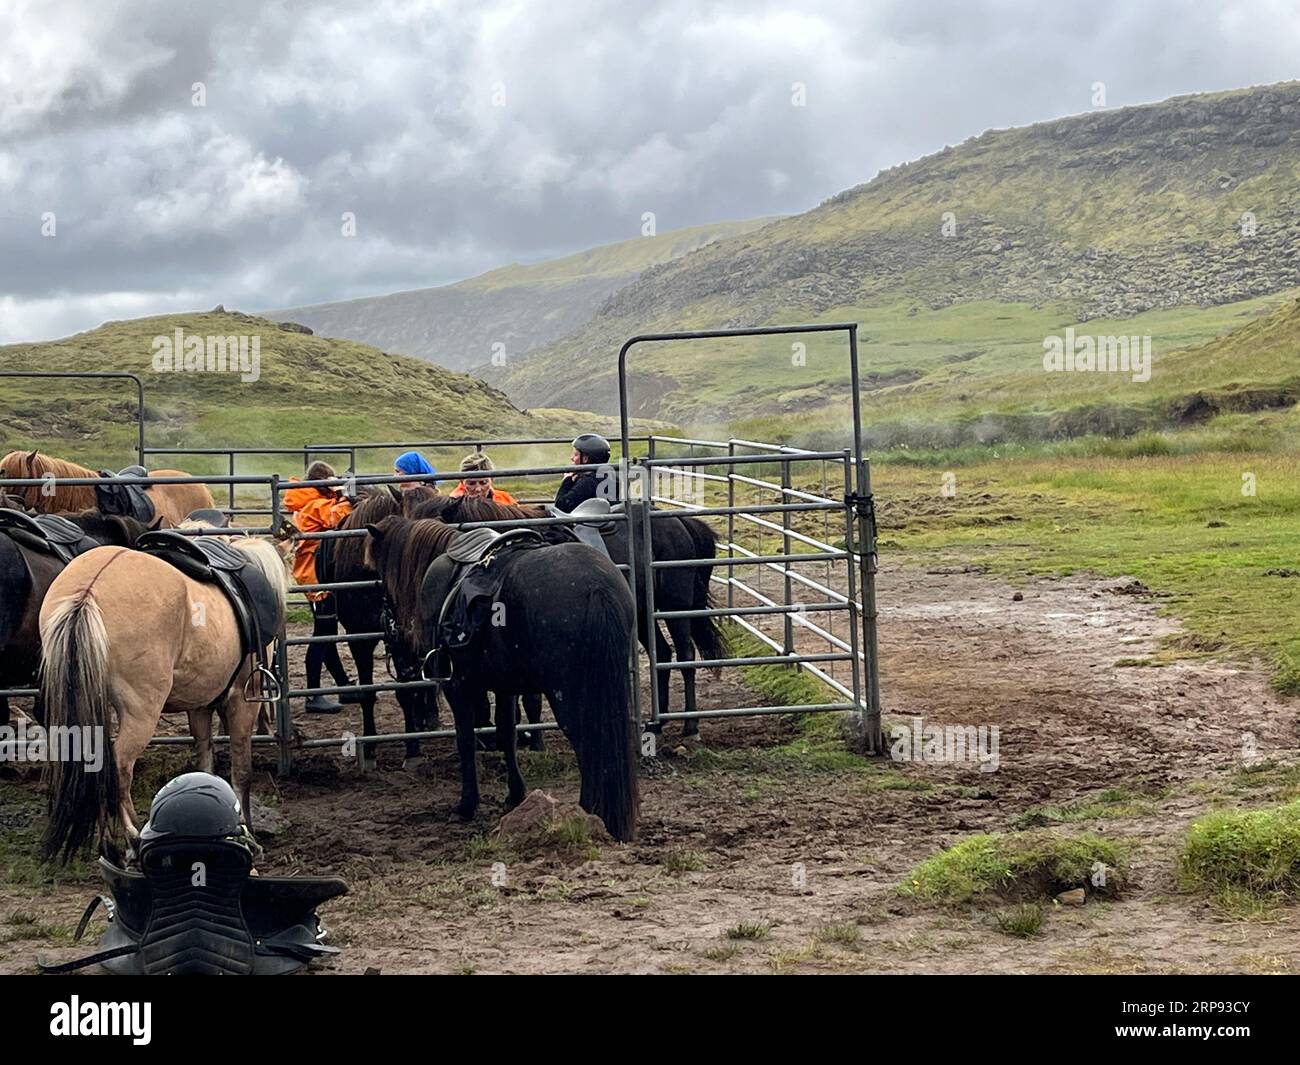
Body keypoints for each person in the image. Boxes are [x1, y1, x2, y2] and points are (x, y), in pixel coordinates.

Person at [285, 461, 359, 714]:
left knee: (326, 631)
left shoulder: (307, 500)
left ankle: (343, 685)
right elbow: (335, 516)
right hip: (316, 578)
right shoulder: (314, 505)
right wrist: (349, 498)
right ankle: (312, 694)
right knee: (323, 633)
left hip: (315, 575)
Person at [554, 433, 618, 511]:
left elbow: (560, 507)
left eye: (575, 455)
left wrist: (566, 480)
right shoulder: (610, 476)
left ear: (585, 459)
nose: (572, 458)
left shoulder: (588, 483)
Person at [450, 452, 519, 504]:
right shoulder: (452, 505)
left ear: (492, 479)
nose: (478, 489)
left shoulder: (505, 499)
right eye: (471, 483)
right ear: (462, 481)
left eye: (483, 483)